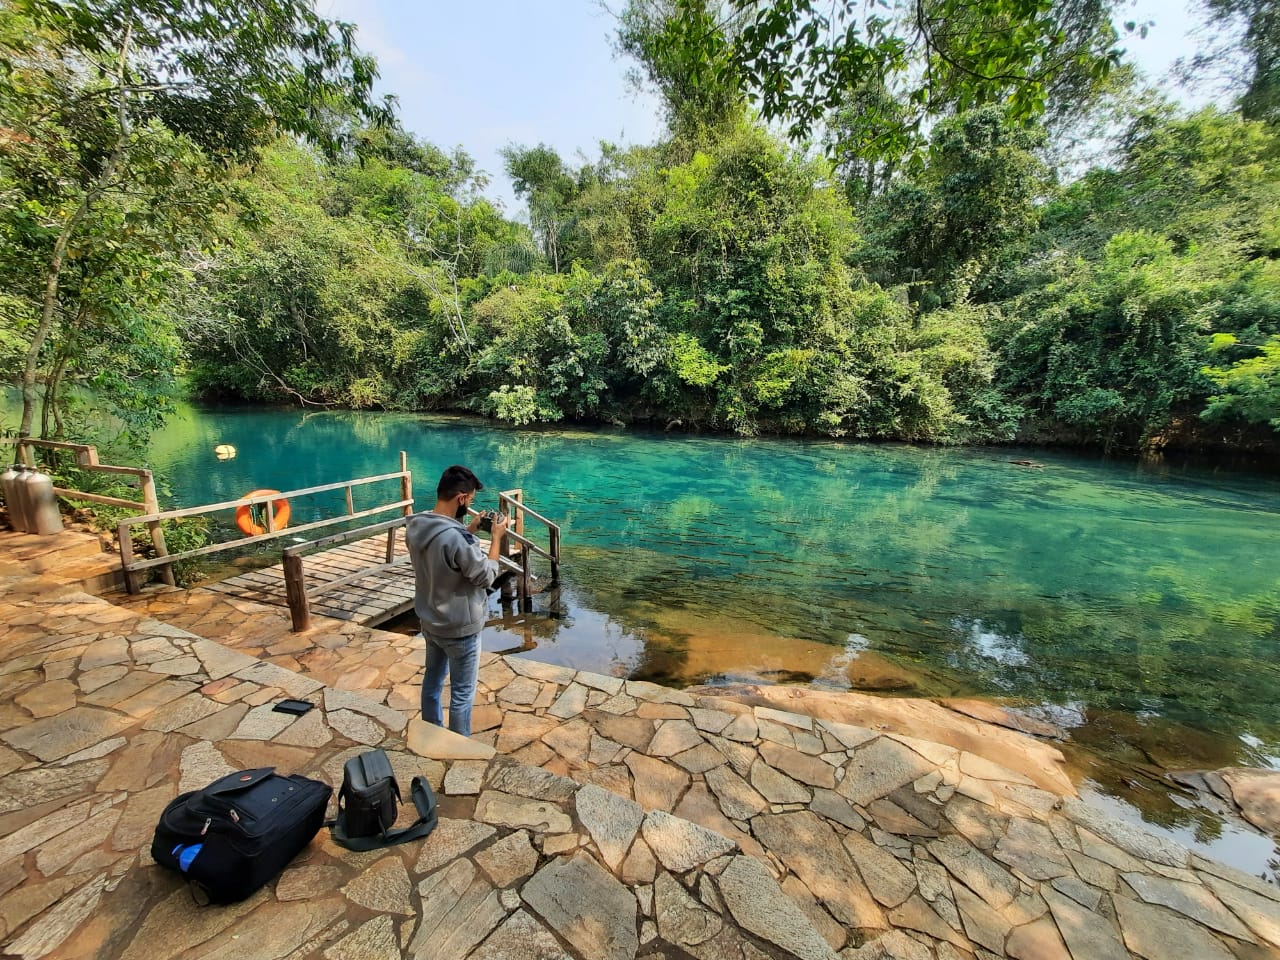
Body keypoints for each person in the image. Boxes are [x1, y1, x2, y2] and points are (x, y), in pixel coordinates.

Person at [405, 464, 509, 736]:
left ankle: (431, 732)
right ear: (461, 498)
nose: (470, 504)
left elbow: (445, 556)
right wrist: (496, 538)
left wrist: (470, 531)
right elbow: (486, 576)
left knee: (432, 683)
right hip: (460, 629)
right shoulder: (457, 539)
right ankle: (457, 747)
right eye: (470, 500)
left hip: (430, 621)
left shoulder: (418, 525)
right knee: (462, 694)